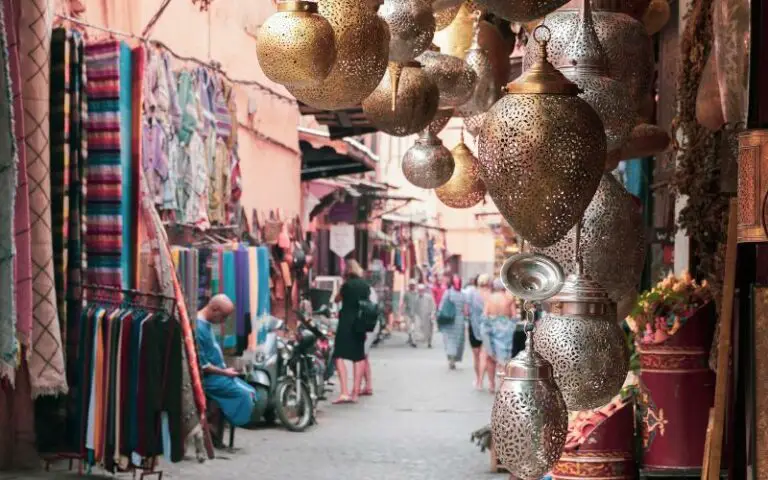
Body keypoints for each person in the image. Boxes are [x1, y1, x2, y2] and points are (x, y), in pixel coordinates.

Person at [196, 295, 265, 430]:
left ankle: (218, 425)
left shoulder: (205, 324)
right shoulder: (199, 328)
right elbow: (202, 364)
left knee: (251, 391)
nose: (224, 321)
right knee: (245, 395)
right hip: (210, 379)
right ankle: (216, 425)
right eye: (223, 316)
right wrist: (224, 372)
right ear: (215, 309)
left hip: (220, 375)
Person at [332, 259, 370, 404]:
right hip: (361, 322)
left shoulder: (346, 285)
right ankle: (355, 391)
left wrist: (341, 289)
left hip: (346, 321)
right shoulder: (365, 285)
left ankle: (344, 392)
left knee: (339, 355)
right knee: (358, 356)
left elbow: (336, 300)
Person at [480, 279, 518, 393]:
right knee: (503, 358)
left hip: (491, 328)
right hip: (505, 330)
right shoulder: (508, 298)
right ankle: (502, 384)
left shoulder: (489, 298)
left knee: (490, 357)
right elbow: (514, 317)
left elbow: (484, 315)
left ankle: (491, 384)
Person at [465, 274, 491, 390]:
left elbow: (466, 311)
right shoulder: (491, 295)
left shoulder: (471, 293)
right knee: (484, 356)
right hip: (487, 327)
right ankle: (481, 381)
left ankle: (477, 379)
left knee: (476, 356)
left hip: (473, 327)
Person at [438, 274, 468, 370]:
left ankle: (451, 357)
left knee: (450, 339)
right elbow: (466, 310)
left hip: (450, 319)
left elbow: (441, 306)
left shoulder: (448, 293)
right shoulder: (463, 294)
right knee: (457, 340)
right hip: (458, 320)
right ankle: (453, 358)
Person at [413, 283, 436, 348]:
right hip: (418, 315)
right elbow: (414, 307)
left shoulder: (429, 297)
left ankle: (429, 342)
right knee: (416, 328)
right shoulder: (416, 297)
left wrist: (432, 314)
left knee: (429, 330)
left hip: (428, 315)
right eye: (419, 290)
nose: (420, 291)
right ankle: (415, 342)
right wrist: (413, 315)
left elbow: (433, 305)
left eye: (421, 290)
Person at [402, 279, 419, 347]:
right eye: (411, 285)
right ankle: (410, 337)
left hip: (416, 313)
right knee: (408, 327)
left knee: (414, 327)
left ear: (415, 286)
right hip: (408, 312)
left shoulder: (417, 294)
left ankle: (413, 341)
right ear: (409, 286)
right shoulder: (406, 294)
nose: (412, 286)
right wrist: (402, 311)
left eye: (413, 285)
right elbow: (404, 303)